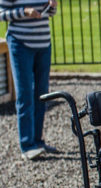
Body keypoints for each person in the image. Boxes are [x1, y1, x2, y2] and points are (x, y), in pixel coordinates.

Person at [1, 0, 58, 160]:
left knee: (42, 94)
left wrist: (52, 7)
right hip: (20, 44)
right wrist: (24, 11)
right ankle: (27, 145)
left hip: (43, 43)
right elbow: (1, 13)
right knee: (25, 94)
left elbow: (47, 14)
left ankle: (38, 141)